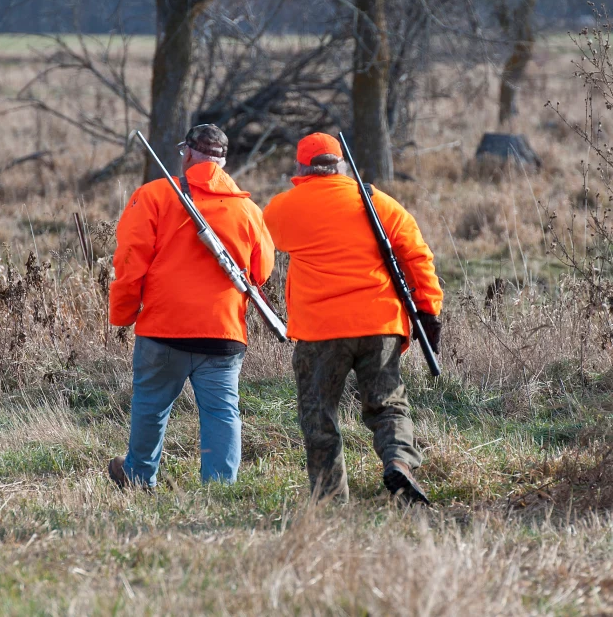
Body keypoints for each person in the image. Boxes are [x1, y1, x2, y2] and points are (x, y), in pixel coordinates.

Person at [262, 133, 443, 505]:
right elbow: (417, 255)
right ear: (342, 165)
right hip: (380, 324)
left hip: (320, 330)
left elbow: (267, 246)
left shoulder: (283, 208)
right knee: (388, 404)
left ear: (300, 168)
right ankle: (399, 463)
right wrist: (428, 311)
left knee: (319, 414)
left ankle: (330, 500)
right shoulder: (379, 202)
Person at [107, 124, 276, 489]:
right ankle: (219, 489)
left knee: (151, 406)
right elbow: (261, 272)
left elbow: (130, 261)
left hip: (163, 329)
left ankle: (138, 477)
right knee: (221, 413)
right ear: (224, 161)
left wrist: (122, 314)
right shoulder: (248, 210)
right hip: (224, 332)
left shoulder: (153, 196)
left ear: (186, 153)